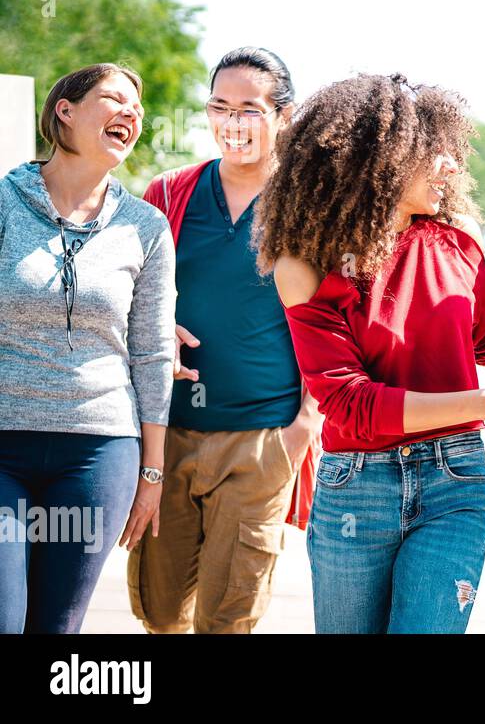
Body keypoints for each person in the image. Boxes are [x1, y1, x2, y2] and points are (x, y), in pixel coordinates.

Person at [260, 73, 485, 633]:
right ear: (385, 157)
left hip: (455, 482)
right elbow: (350, 404)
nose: (452, 165)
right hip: (357, 487)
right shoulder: (302, 264)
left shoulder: (458, 241)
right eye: (436, 151)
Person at [128, 47, 324, 634]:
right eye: (220, 106)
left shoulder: (309, 207)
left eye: (250, 109)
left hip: (261, 439)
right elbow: (126, 296)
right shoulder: (168, 195)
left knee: (229, 616)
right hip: (168, 435)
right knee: (158, 610)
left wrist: (303, 428)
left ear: (284, 116)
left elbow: (337, 323)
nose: (232, 123)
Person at [0, 63, 175, 633]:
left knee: (56, 627)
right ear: (65, 111)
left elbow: (150, 352)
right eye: (113, 98)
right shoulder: (4, 202)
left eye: (138, 108)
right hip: (4, 442)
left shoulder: (145, 227)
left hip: (98, 453)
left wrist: (152, 472)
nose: (131, 113)